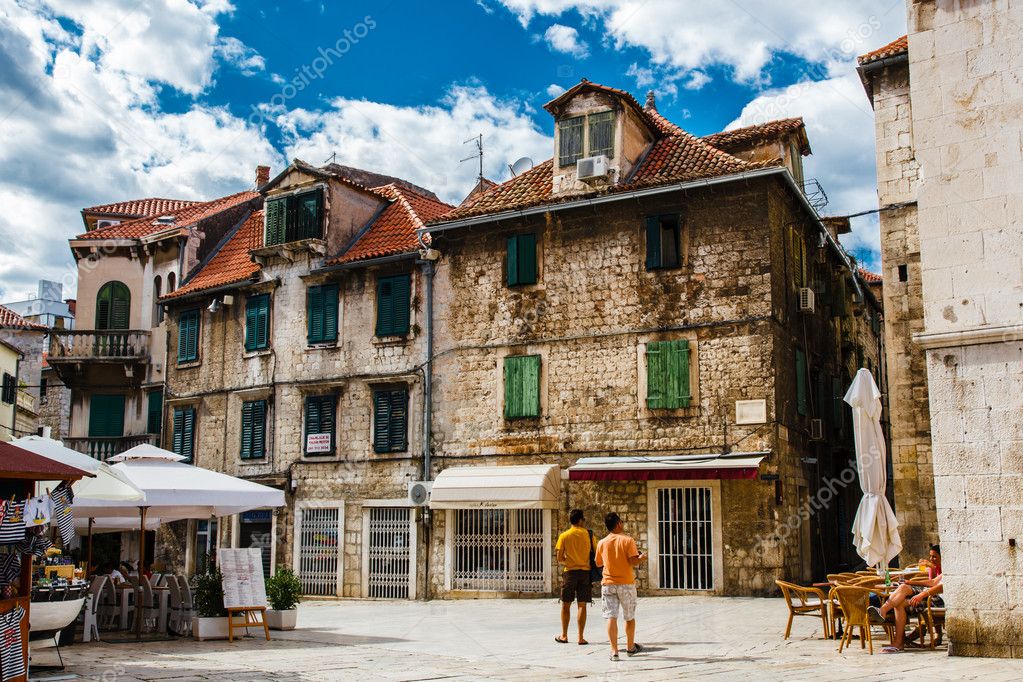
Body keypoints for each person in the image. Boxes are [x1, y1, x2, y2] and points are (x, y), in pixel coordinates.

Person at [869, 544, 944, 652]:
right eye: (931, 556)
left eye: (935, 556)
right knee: (900, 599)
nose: (931, 559)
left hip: (938, 600)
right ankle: (898, 642)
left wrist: (922, 594)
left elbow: (942, 586)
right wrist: (910, 582)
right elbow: (933, 582)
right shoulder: (944, 569)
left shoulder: (951, 568)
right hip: (932, 596)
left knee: (903, 589)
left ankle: (883, 611)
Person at [595, 512, 646, 661]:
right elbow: (633, 561)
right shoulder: (628, 540)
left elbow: (598, 563)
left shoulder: (602, 542)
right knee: (629, 617)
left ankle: (614, 651)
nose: (623, 524)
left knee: (611, 617)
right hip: (626, 584)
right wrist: (641, 558)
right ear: (618, 524)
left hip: (608, 584)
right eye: (622, 521)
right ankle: (630, 647)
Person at [554, 509, 593, 645]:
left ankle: (564, 635)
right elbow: (596, 552)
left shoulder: (564, 536)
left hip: (570, 572)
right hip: (585, 572)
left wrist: (568, 560)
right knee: (582, 605)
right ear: (581, 520)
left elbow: (559, 558)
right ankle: (580, 637)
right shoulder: (589, 535)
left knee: (566, 604)